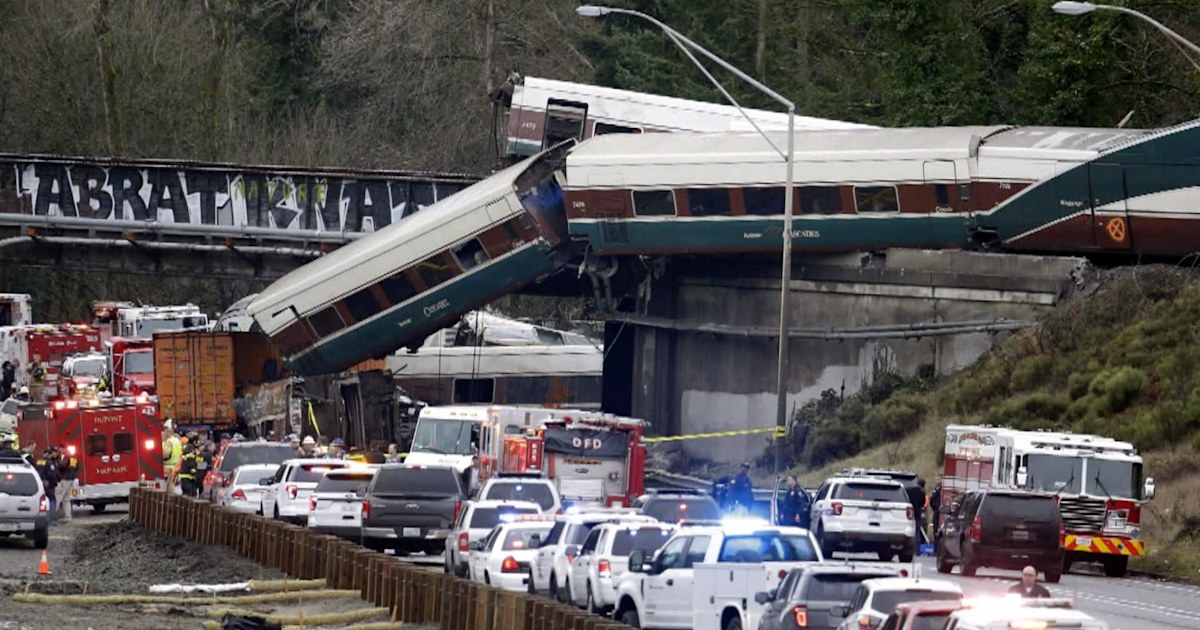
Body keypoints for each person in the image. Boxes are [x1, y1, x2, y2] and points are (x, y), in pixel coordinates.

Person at [35, 448, 61, 519]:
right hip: (49, 484)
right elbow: (52, 474)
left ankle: (42, 516)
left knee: (42, 500)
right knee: (52, 500)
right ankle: (52, 517)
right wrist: (56, 480)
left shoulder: (39, 461)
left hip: (40, 484)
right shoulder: (50, 463)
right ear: (49, 454)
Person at [162, 424, 182, 493]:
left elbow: (166, 454)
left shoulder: (169, 442)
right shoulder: (177, 441)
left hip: (168, 467)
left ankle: (170, 500)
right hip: (176, 466)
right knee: (172, 485)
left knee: (169, 487)